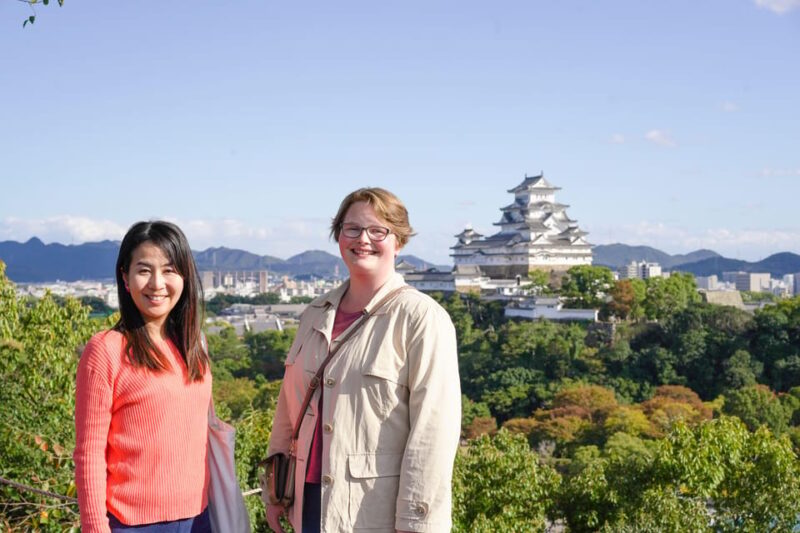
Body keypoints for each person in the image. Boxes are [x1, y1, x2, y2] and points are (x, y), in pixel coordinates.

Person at [265, 188, 461, 533]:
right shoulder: (314, 313)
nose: (363, 240)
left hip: (373, 511)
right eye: (352, 229)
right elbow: (288, 408)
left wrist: (417, 522)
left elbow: (434, 432)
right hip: (306, 502)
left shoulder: (421, 318)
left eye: (378, 231)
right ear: (338, 236)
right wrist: (275, 489)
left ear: (398, 241)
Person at [74, 221, 212, 533]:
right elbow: (89, 453)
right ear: (125, 276)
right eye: (144, 270)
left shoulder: (193, 346)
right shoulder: (106, 350)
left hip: (198, 518)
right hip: (132, 524)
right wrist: (95, 528)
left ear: (185, 276)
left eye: (169, 269)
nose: (157, 283)